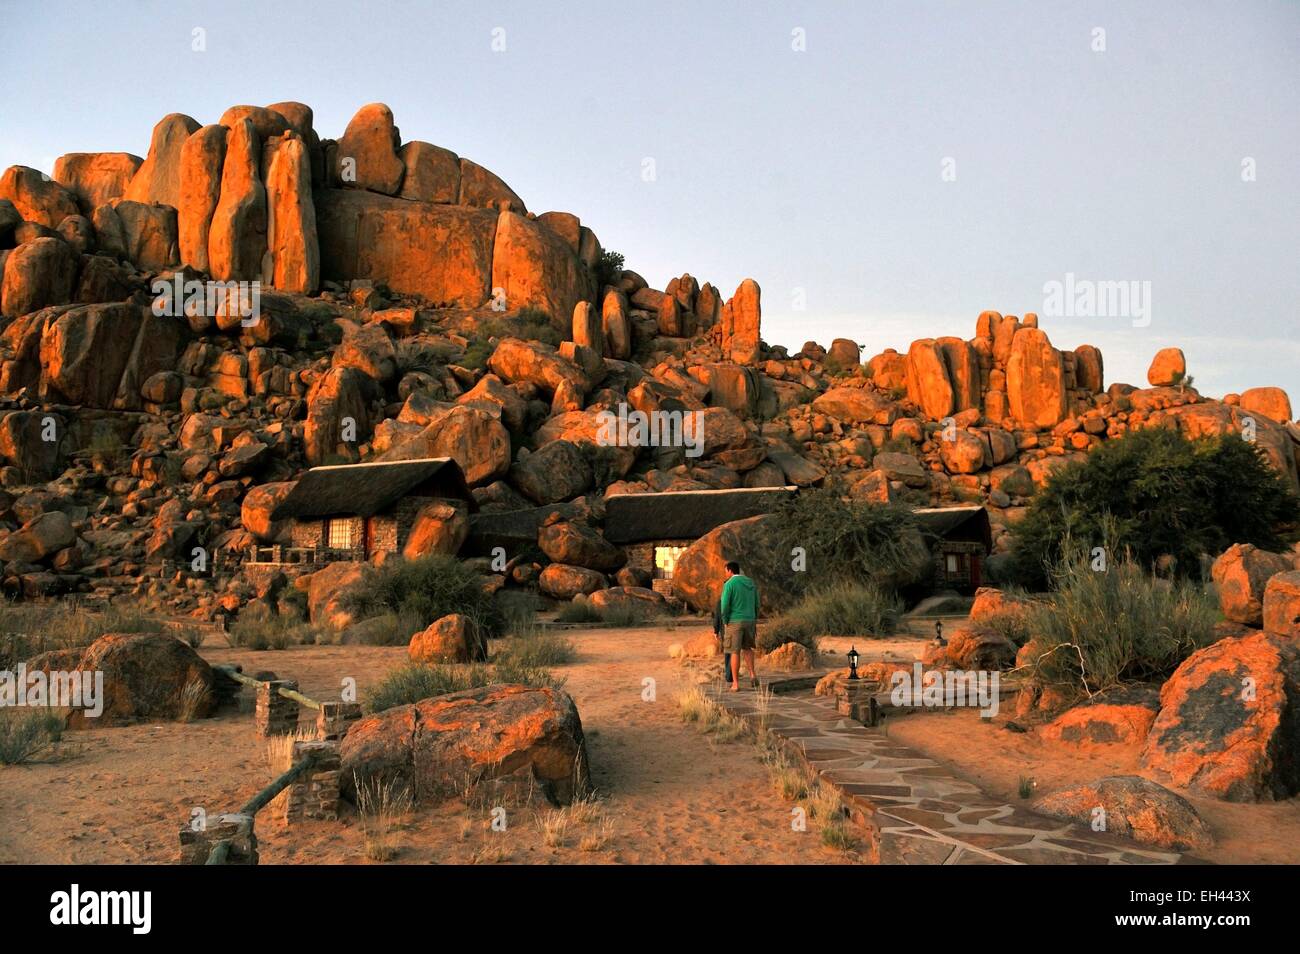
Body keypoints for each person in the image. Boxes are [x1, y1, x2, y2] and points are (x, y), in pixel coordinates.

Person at [719, 561, 759, 692]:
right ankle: (753, 675)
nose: (725, 574)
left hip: (735, 621)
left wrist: (725, 620)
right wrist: (754, 619)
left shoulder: (729, 584)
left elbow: (724, 605)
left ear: (730, 571)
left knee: (734, 652)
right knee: (747, 648)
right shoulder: (751, 582)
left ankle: (735, 684)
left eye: (725, 571)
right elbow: (757, 603)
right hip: (750, 620)